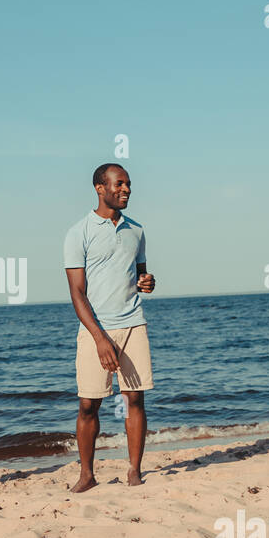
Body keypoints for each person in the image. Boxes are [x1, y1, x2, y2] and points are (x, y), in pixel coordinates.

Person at [63, 164, 155, 492]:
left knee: (136, 399)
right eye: (119, 184)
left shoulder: (137, 230)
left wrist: (148, 282)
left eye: (129, 184)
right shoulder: (79, 232)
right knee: (89, 404)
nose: (126, 189)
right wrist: (100, 338)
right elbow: (76, 292)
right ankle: (86, 475)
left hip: (133, 324)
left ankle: (135, 471)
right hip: (94, 330)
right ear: (100, 188)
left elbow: (142, 275)